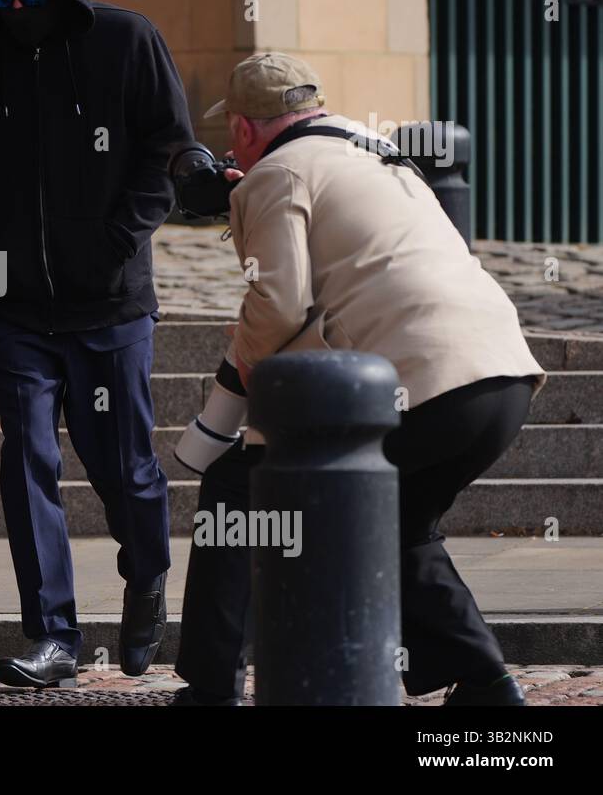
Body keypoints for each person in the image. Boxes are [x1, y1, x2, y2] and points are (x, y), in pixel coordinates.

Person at [172, 52, 546, 706]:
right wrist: (242, 198)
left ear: (242, 129)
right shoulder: (370, 145)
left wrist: (230, 404)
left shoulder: (276, 175)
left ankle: (211, 684)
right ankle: (486, 684)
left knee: (235, 489)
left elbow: (278, 305)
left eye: (232, 126)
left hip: (423, 383)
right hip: (502, 374)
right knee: (397, 522)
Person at [0, 0, 195, 687]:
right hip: (16, 308)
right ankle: (52, 634)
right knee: (28, 460)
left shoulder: (124, 40)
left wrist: (117, 237)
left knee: (126, 470)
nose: (17, 12)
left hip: (110, 305)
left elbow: (167, 148)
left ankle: (146, 579)